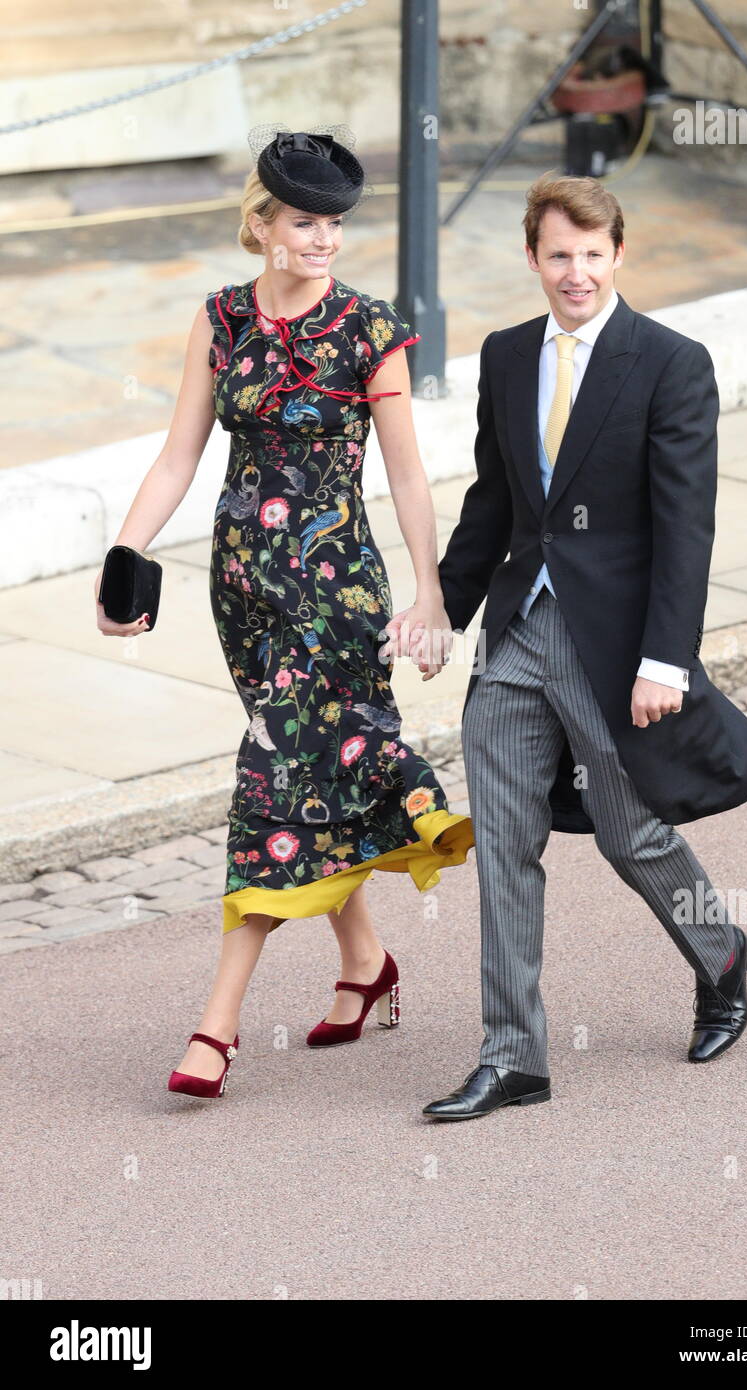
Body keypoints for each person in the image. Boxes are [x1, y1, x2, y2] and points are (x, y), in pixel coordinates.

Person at [94, 127, 473, 1099]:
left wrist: (429, 592)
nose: (324, 240)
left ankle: (215, 1026)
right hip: (246, 592)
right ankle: (365, 966)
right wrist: (126, 557)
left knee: (272, 776)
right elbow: (180, 454)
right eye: (304, 222)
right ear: (260, 225)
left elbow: (407, 475)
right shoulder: (220, 320)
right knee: (315, 764)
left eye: (334, 224)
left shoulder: (369, 330)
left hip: (337, 594)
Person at [404, 174, 747, 1121]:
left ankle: (720, 951)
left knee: (629, 830)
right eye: (558, 255)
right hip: (515, 635)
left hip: (613, 649)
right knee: (503, 844)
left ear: (619, 255)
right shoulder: (505, 356)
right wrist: (439, 607)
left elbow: (684, 526)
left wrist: (666, 659)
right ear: (533, 257)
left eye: (593, 254)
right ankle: (513, 1054)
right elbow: (496, 501)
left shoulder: (671, 362)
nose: (576, 272)